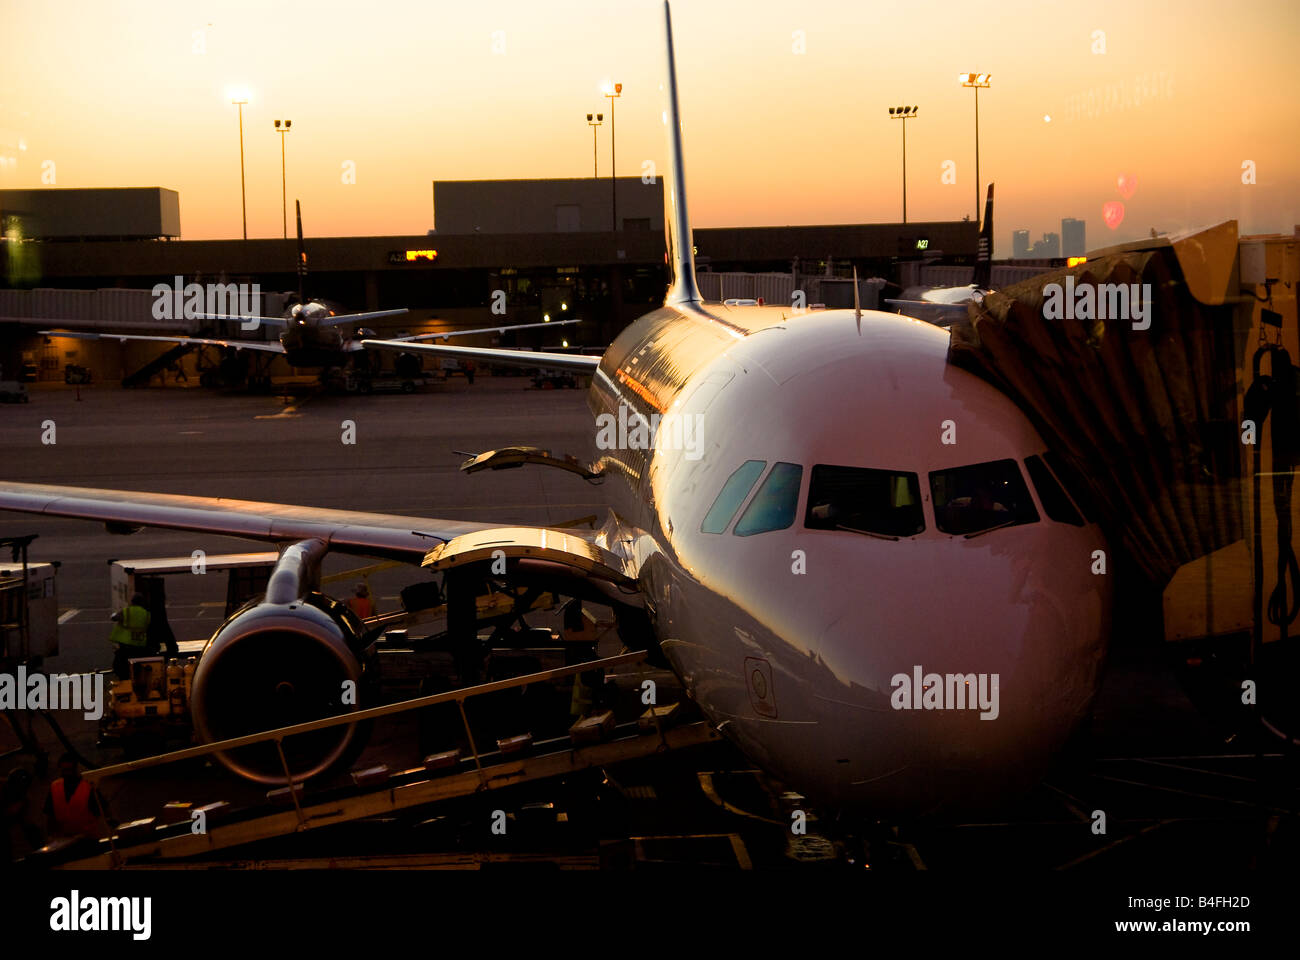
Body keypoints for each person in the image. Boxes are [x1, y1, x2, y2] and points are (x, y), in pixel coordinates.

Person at [43, 753, 101, 840]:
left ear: (75, 769)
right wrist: (50, 836)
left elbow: (103, 812)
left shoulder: (88, 787)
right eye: (64, 770)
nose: (67, 773)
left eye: (69, 770)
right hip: (63, 839)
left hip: (87, 839)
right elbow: (50, 815)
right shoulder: (55, 787)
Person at [110, 592, 151, 679]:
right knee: (137, 664)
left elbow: (114, 618)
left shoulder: (126, 611)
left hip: (126, 643)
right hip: (139, 643)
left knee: (121, 663)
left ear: (132, 602)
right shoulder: (147, 614)